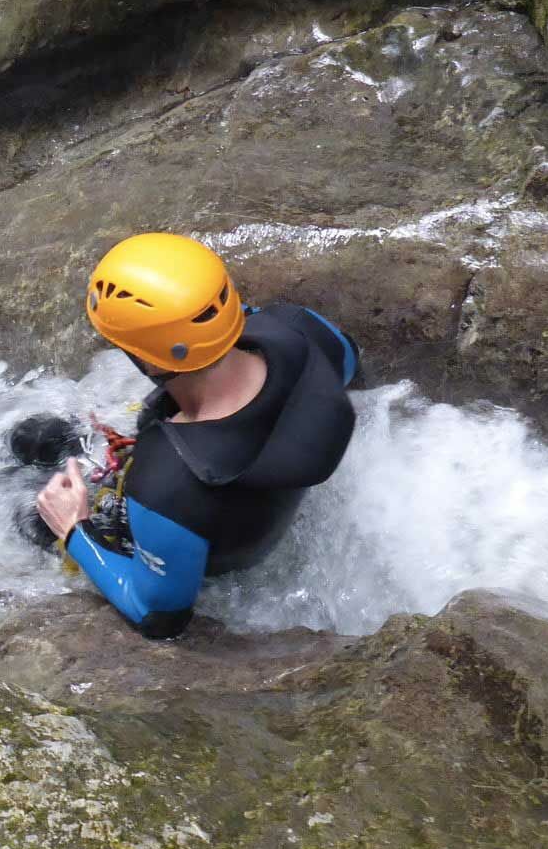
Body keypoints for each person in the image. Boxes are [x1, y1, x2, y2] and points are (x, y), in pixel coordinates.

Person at [34, 233, 359, 637]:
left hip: (204, 547)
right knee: (39, 436)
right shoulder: (303, 332)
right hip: (247, 511)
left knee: (30, 513)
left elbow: (158, 616)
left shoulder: (169, 482)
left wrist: (74, 529)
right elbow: (350, 363)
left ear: (150, 363)